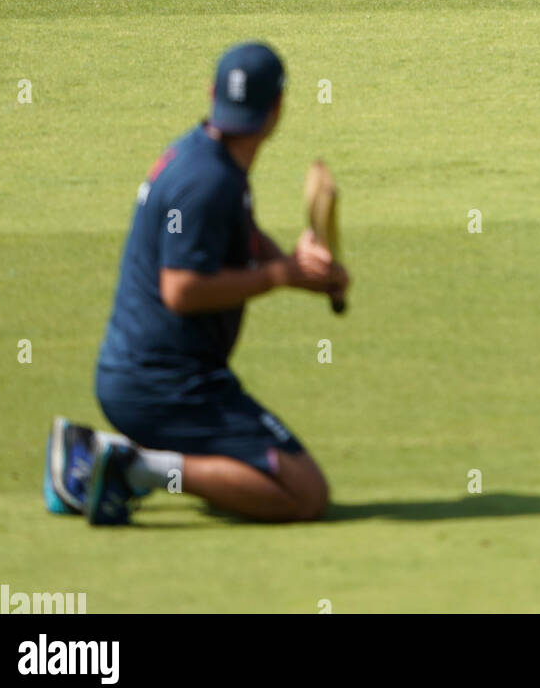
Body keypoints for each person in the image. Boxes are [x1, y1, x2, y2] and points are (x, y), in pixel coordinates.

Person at [43, 41, 349, 525]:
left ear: (211, 95)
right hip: (168, 387)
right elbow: (181, 290)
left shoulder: (201, 154)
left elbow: (238, 233)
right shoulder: (210, 181)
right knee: (304, 493)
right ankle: (130, 466)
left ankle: (87, 453)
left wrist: (297, 268)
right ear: (277, 108)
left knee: (247, 483)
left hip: (142, 374)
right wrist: (278, 275)